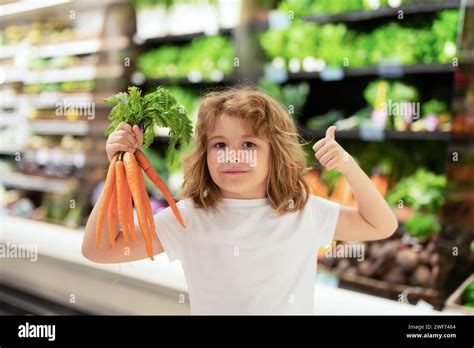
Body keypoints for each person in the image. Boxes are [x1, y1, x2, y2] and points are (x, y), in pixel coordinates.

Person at [82, 87, 398, 314]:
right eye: (219, 145)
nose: (232, 155)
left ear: (276, 153)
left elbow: (381, 224)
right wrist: (120, 167)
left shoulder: (303, 210)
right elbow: (99, 249)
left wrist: (347, 165)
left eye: (248, 143)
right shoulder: (189, 217)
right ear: (204, 155)